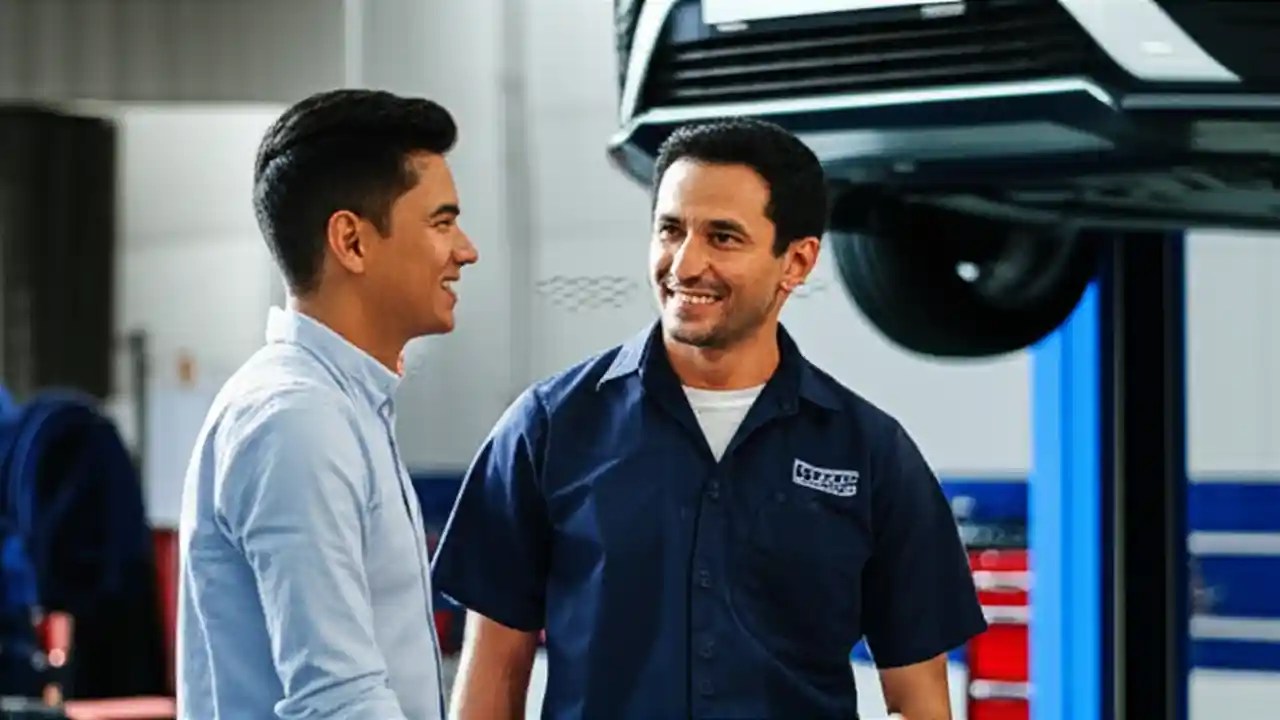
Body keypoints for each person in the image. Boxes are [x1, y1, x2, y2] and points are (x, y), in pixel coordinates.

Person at [432, 118, 986, 720]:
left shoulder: (870, 455)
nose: (685, 264)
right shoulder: (547, 430)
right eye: (670, 230)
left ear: (795, 262)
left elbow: (920, 699)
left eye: (723, 237)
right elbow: (490, 673)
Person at [176, 88, 478, 720]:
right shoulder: (297, 421)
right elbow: (337, 700)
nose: (464, 250)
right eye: (442, 223)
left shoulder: (341, 407)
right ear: (352, 241)